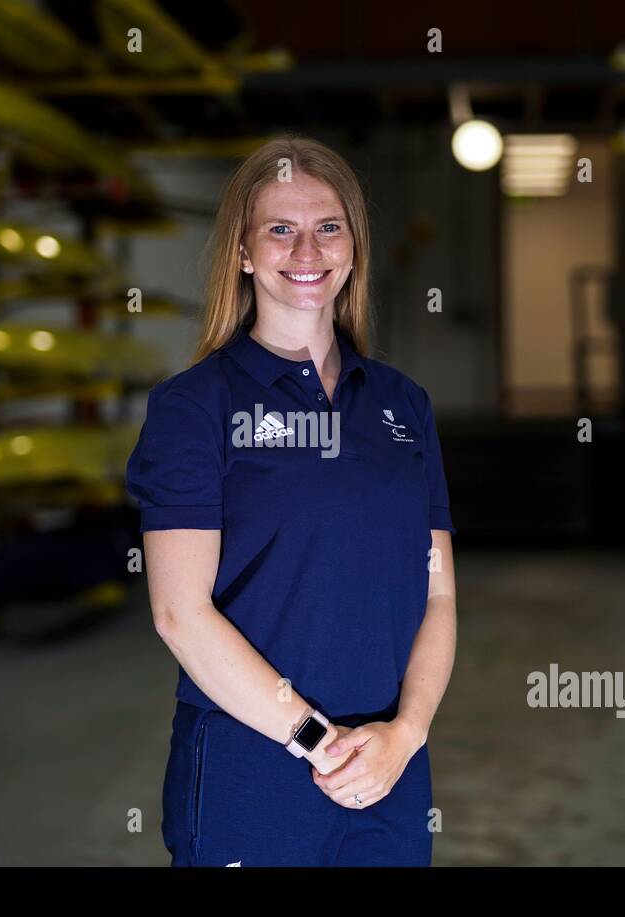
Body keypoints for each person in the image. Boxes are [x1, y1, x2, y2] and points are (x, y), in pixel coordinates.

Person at [125, 135, 457, 866]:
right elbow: (180, 614)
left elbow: (438, 598)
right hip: (255, 769)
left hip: (388, 770)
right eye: (280, 228)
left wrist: (405, 736)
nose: (306, 248)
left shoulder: (404, 406)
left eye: (328, 227)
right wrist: (318, 741)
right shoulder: (195, 407)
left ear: (353, 249)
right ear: (243, 253)